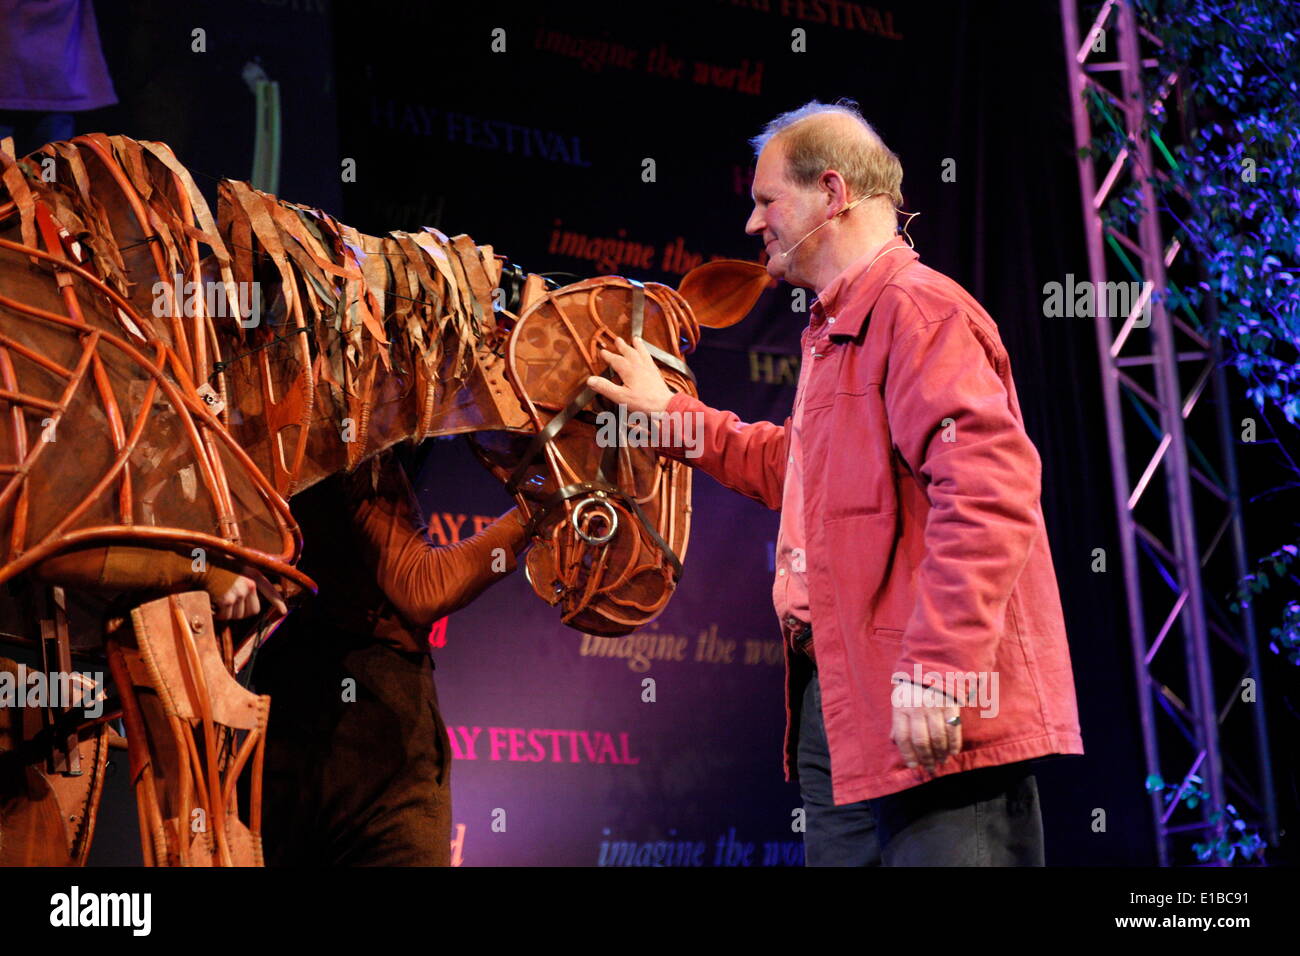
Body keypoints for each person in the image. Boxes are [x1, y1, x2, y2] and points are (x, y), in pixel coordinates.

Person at [587, 100, 1084, 866]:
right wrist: (672, 419)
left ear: (832, 192)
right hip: (843, 706)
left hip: (927, 705)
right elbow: (800, 472)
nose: (754, 227)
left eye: (765, 201)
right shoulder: (835, 329)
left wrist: (939, 668)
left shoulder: (918, 313)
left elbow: (989, 494)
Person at [217, 446, 527, 866]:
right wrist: (537, 514)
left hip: (282, 719)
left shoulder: (242, 443)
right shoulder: (345, 438)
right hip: (375, 734)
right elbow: (422, 587)